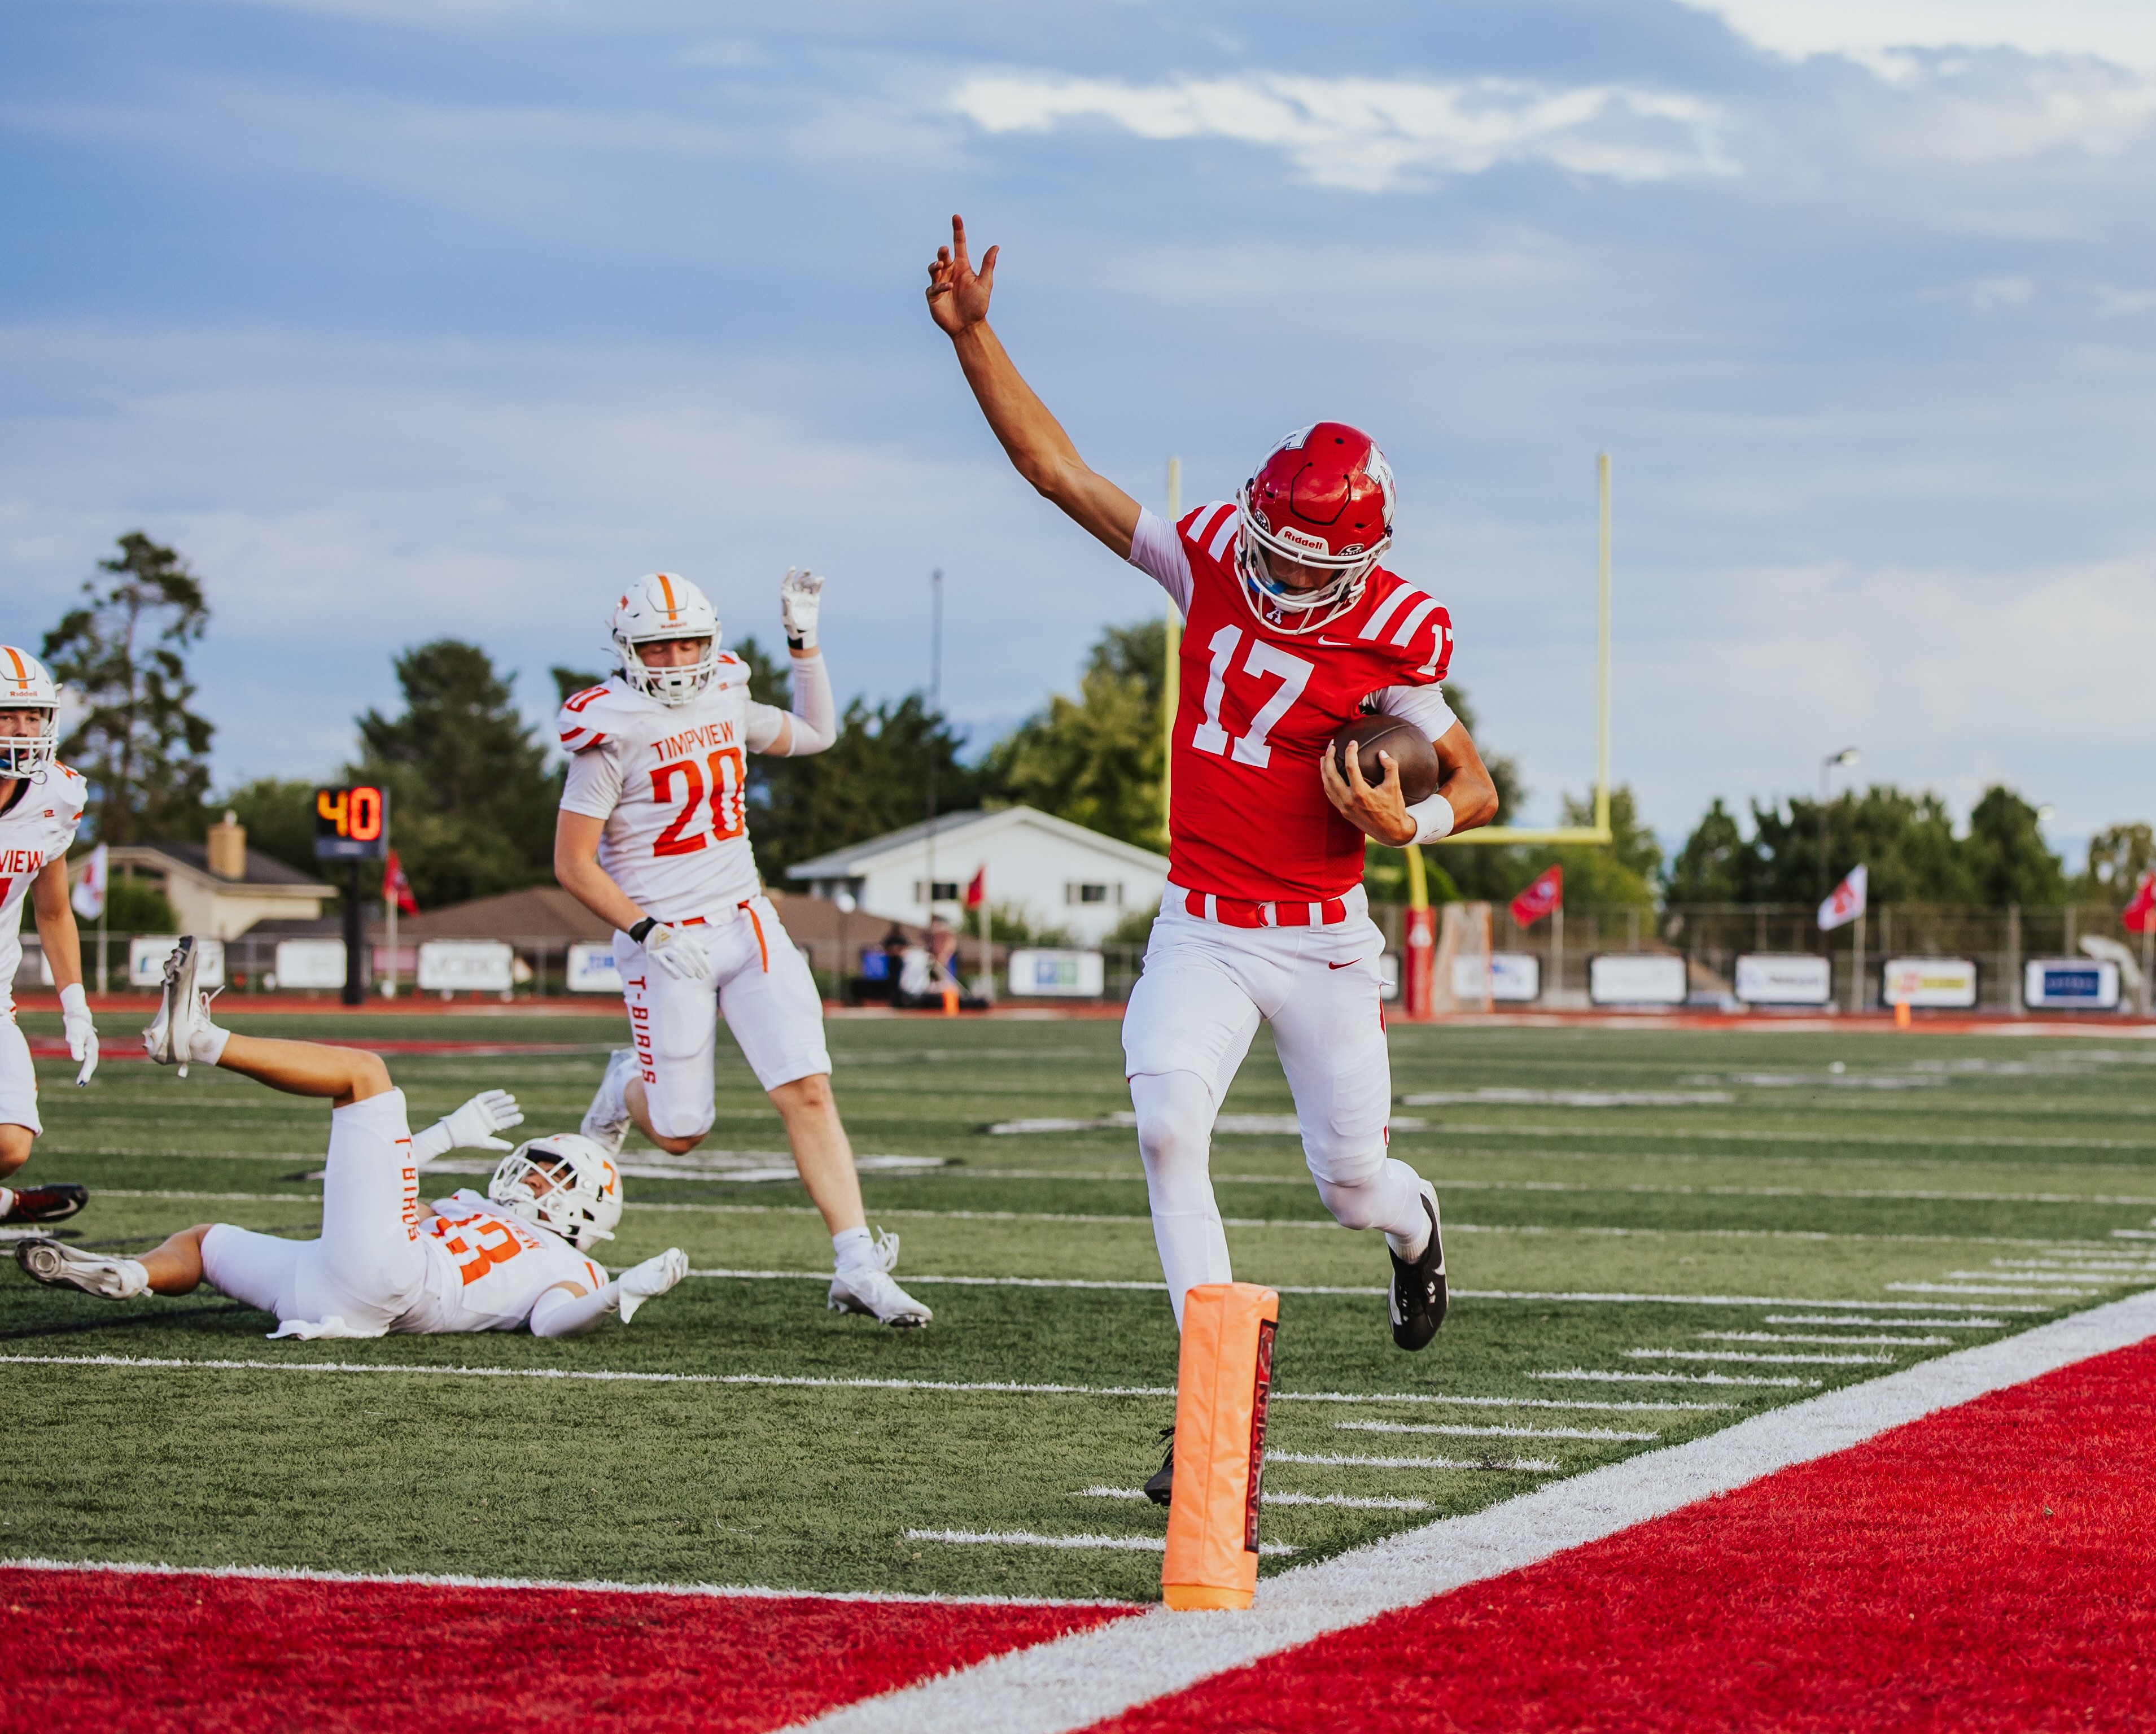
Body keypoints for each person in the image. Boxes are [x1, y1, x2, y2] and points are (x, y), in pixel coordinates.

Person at [926, 215, 1501, 1385]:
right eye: (1269, 542)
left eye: (1300, 558)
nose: (1274, 568)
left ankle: (1413, 1223)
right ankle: (1213, 1389)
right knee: (1163, 1125)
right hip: (1201, 923)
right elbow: (1057, 472)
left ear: (1352, 559)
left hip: (1322, 941)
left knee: (1349, 1186)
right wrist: (974, 340)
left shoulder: (1395, 628)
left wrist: (1412, 823)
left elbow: (1477, 784)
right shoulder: (1205, 553)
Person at [554, 570, 929, 1327]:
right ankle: (621, 1087)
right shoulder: (608, 730)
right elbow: (572, 864)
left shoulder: (725, 693)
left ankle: (857, 1262)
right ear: (629, 651)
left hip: (746, 920)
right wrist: (647, 931)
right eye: (661, 647)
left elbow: (817, 732)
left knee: (808, 1087)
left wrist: (804, 643)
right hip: (664, 942)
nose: (679, 658)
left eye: (691, 641)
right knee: (682, 1130)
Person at [15, 937, 689, 1338]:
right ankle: (131, 1273)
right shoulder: (470, 1208)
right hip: (331, 1285)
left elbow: (550, 1323)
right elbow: (379, 1187)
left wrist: (619, 1290)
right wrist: (447, 1136)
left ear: (584, 1209)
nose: (531, 1176)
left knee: (365, 1074)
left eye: (551, 1176)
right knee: (202, 1240)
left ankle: (198, 1038)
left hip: (393, 1281)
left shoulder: (575, 1266)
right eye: (539, 1165)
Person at [0, 645, 98, 1228]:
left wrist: (75, 1004)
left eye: (33, 715)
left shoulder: (56, 796)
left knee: (11, 1144)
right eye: (8, 715)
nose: (23, 729)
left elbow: (55, 910)